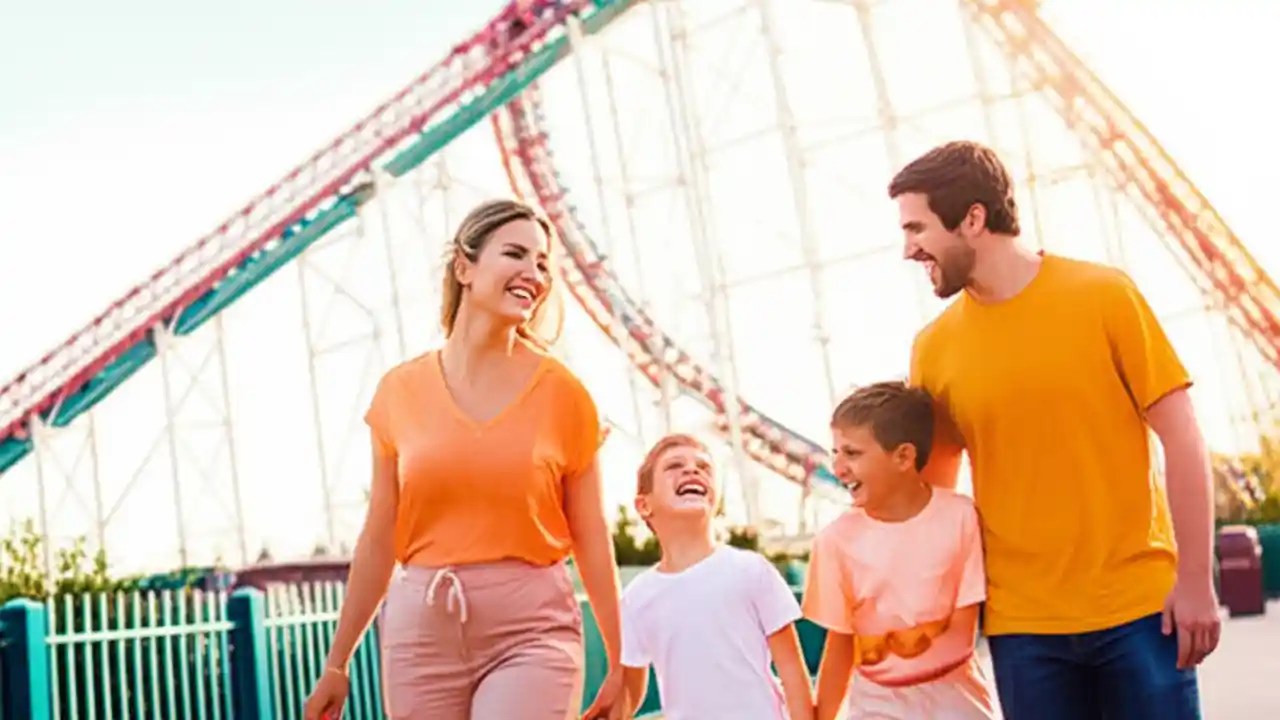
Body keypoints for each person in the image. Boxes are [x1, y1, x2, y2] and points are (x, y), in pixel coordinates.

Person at [891, 140, 1220, 719]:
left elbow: (1183, 436)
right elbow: (938, 502)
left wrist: (1195, 579)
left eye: (916, 228)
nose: (908, 250)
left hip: (1142, 613)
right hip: (1024, 630)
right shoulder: (933, 349)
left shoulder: (1103, 295)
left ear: (972, 218)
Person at [302, 199, 624, 720]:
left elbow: (590, 531)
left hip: (532, 632)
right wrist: (337, 664)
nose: (534, 273)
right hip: (419, 633)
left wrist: (620, 658)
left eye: (542, 263)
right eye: (515, 254)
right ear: (464, 267)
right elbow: (379, 536)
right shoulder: (399, 392)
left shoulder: (564, 394)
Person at [804, 381, 998, 720]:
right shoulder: (835, 541)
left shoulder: (959, 516)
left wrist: (891, 666)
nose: (838, 468)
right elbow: (839, 646)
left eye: (852, 453)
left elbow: (963, 633)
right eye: (835, 452)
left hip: (958, 704)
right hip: (878, 707)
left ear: (903, 456)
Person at [616, 433, 813, 720]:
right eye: (674, 466)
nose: (692, 470)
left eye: (704, 467)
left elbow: (793, 672)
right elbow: (630, 690)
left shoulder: (751, 571)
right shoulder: (637, 598)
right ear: (644, 505)